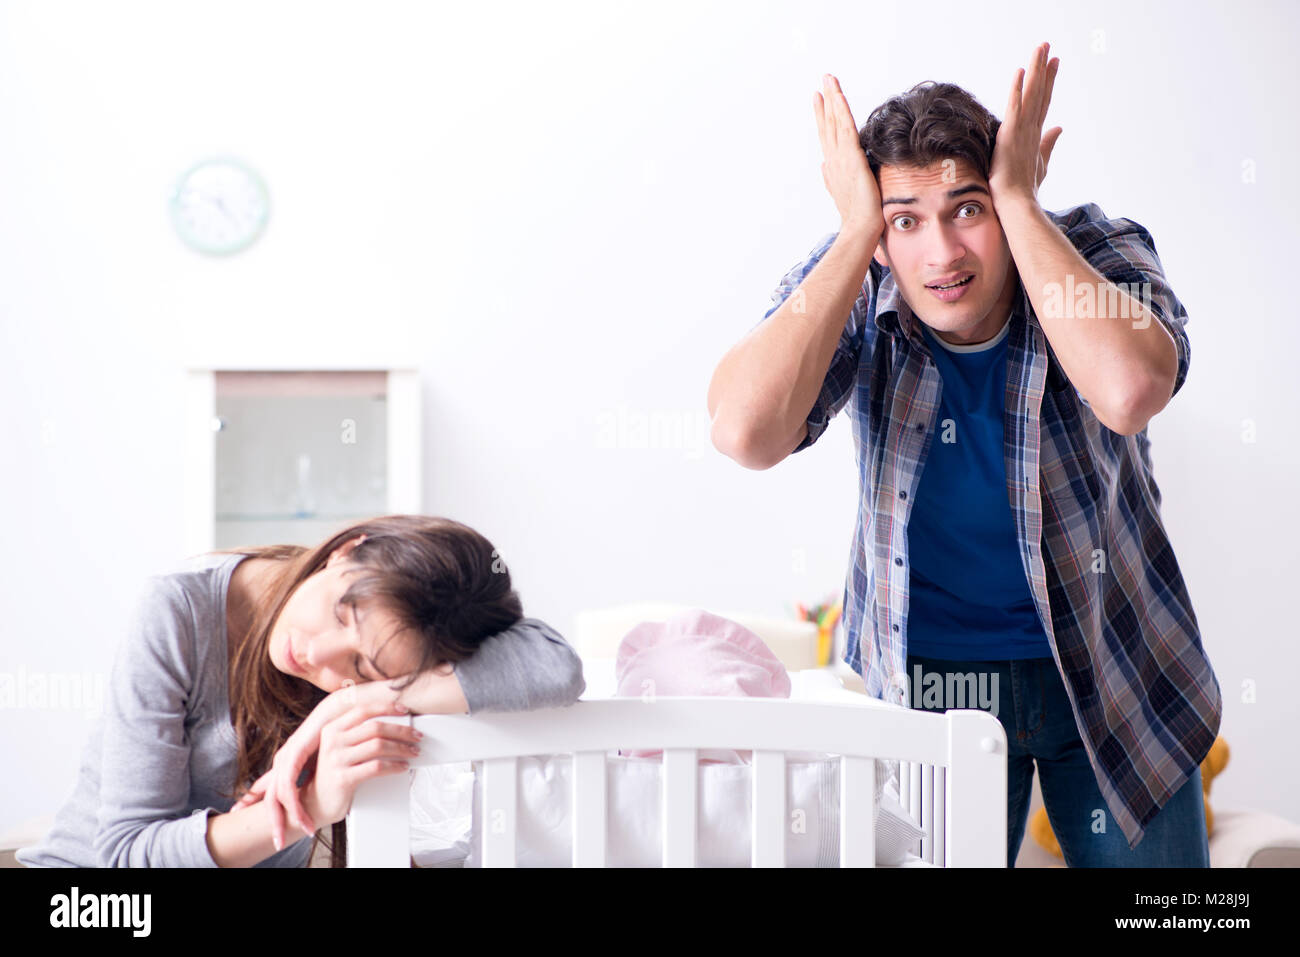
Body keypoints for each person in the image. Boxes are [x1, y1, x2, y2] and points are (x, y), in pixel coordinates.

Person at [706, 43, 1220, 866]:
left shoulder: (1099, 250)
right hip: (934, 690)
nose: (942, 253)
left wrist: (1019, 202)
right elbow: (742, 430)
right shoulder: (857, 278)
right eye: (905, 218)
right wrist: (853, 237)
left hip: (1117, 671)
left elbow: (1128, 390)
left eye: (968, 208)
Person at [17, 514, 585, 868]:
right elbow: (126, 855)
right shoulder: (178, 610)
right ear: (346, 550)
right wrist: (311, 806)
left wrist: (348, 701)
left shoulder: (365, 681)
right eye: (342, 615)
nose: (317, 656)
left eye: (362, 666)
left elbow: (556, 666)